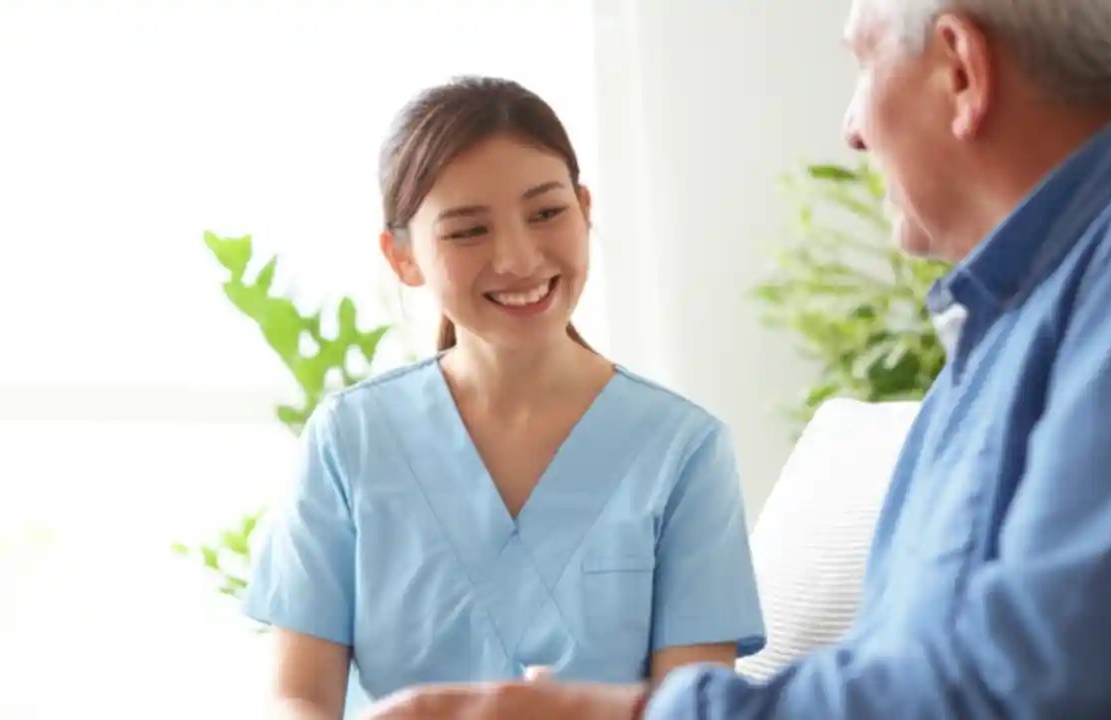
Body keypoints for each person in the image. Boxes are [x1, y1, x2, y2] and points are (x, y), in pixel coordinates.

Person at [361, 0, 1111, 718]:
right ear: (403, 256)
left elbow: (1036, 687)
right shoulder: (1004, 330)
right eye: (467, 230)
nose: (851, 127)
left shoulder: (1093, 301)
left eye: (862, 64)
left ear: (960, 72)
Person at [241, 76, 766, 719]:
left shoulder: (684, 452)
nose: (518, 258)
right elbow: (297, 697)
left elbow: (696, 707)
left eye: (546, 213)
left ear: (585, 209)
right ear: (402, 257)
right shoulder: (349, 441)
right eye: (467, 232)